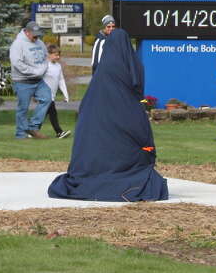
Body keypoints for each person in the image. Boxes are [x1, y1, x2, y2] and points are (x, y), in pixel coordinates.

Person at [47, 27, 168, 202]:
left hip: (91, 161)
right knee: (142, 149)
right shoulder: (131, 69)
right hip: (127, 157)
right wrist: (148, 149)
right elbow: (138, 122)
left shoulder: (100, 76)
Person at [9, 20, 52, 139]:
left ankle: (33, 127)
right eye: (34, 34)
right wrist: (33, 71)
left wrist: (42, 69)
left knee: (47, 98)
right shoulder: (18, 44)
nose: (36, 37)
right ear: (27, 32)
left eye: (38, 34)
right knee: (23, 108)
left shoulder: (40, 43)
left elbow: (45, 58)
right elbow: (17, 63)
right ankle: (21, 134)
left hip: (38, 81)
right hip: (22, 81)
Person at [43, 44, 71, 139]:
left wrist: (65, 94)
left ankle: (31, 129)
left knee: (44, 113)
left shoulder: (58, 66)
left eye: (59, 55)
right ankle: (59, 132)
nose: (58, 57)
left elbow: (61, 80)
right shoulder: (44, 65)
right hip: (44, 95)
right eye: (55, 55)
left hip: (52, 95)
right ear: (49, 54)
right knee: (52, 113)